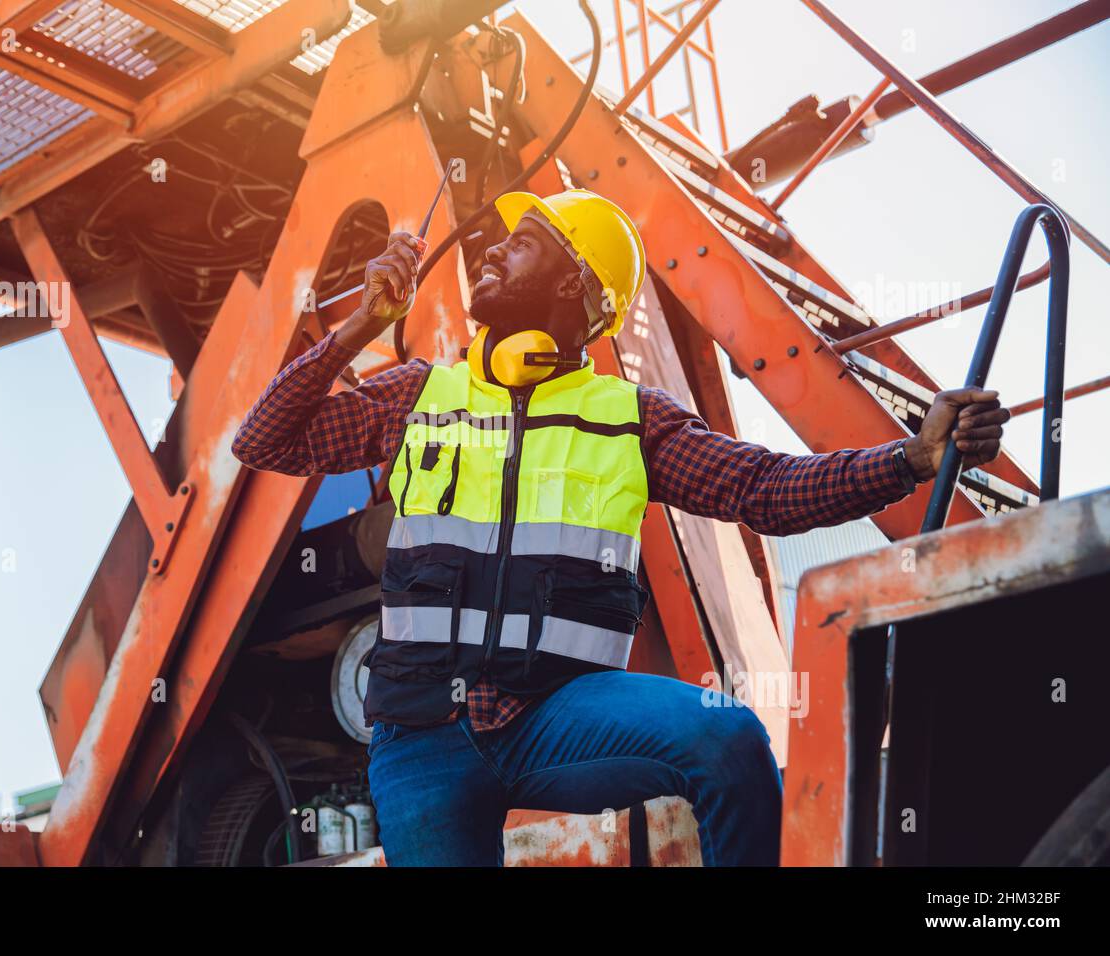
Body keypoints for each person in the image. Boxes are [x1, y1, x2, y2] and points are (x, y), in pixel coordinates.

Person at [232, 188, 1009, 866]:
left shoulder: (629, 422)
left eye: (523, 243)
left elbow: (765, 488)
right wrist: (359, 323)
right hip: (419, 739)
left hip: (556, 719)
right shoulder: (418, 394)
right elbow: (263, 440)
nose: (493, 252)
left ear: (576, 287)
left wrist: (910, 458)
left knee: (726, 740)